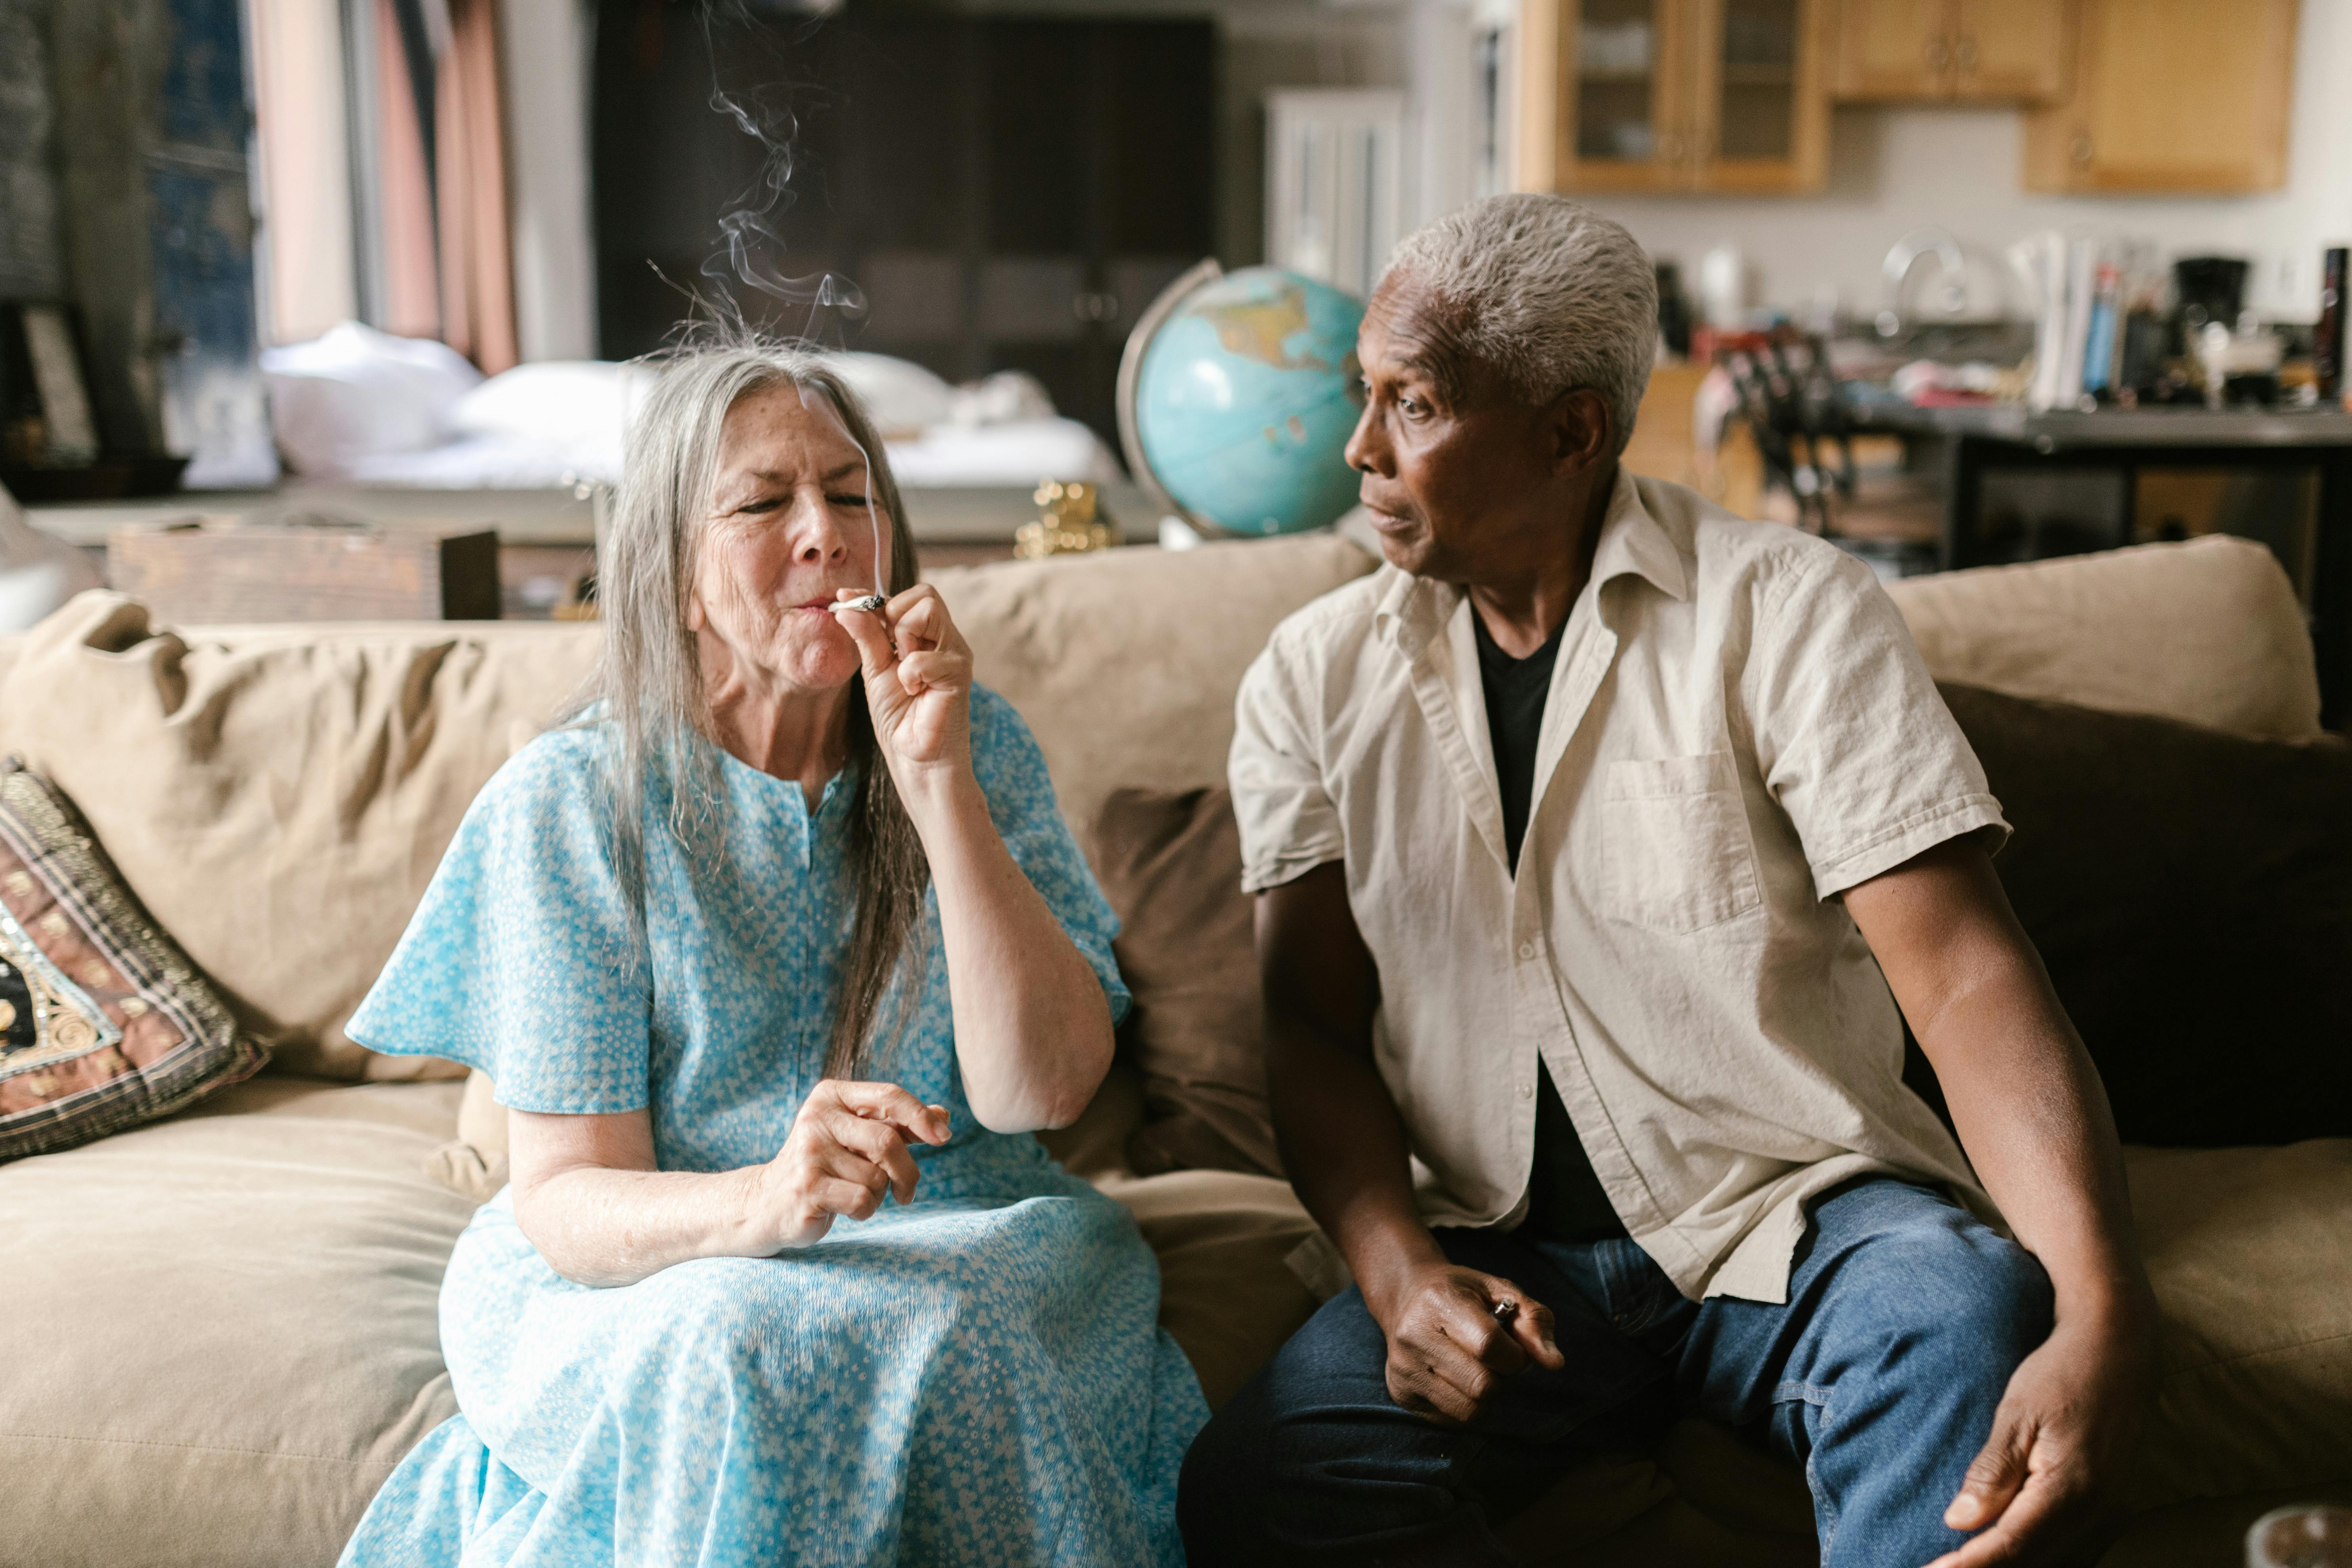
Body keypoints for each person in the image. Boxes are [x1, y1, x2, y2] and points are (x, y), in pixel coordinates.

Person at [1180, 196, 2154, 1568]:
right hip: (1495, 1257)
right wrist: (1399, 1279)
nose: (1360, 449)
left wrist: (2102, 1310)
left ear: (1569, 433)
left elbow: (1964, 980)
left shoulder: (1788, 611)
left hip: (1794, 1219)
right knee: (1263, 1479)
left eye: (1414, 405)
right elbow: (1309, 1027)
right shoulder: (1310, 678)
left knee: (1959, 1318)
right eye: (1364, 395)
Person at [335, 341, 1205, 1567]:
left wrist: (939, 786)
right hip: (663, 1264)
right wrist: (763, 1201)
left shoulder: (979, 745)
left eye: (850, 496)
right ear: (674, 576)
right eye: (760, 505)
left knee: (950, 1329)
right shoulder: (574, 803)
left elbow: (1044, 1093)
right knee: (743, 1342)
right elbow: (570, 1198)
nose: (824, 537)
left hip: (959, 1232)